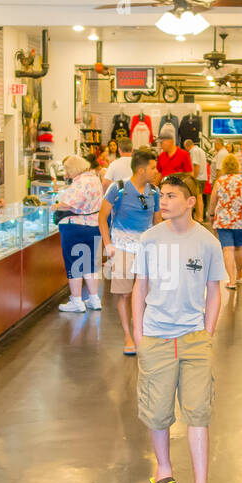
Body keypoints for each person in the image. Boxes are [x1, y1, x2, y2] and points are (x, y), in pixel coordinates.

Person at [134, 174, 226, 483]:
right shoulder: (149, 240)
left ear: (191, 202)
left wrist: (208, 332)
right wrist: (140, 338)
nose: (164, 201)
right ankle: (164, 470)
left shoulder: (207, 242)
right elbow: (138, 288)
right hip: (156, 337)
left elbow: (215, 290)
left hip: (194, 339)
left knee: (198, 412)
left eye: (172, 196)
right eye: (162, 195)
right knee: (157, 412)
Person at [100, 148, 160, 355]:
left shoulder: (154, 192)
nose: (156, 171)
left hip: (146, 249)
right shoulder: (118, 188)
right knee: (124, 293)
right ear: (141, 170)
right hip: (122, 248)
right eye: (153, 167)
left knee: (145, 293)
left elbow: (157, 221)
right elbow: (102, 217)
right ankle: (128, 335)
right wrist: (109, 245)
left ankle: (140, 331)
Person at [54, 155, 104, 312]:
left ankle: (76, 301)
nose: (66, 174)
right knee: (88, 264)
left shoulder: (79, 183)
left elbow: (67, 204)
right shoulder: (94, 179)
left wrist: (54, 206)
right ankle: (94, 299)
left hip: (75, 227)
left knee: (74, 264)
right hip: (94, 225)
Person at [210, 153, 242, 290]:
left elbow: (212, 201)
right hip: (240, 219)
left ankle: (232, 280)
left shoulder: (219, 181)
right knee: (240, 247)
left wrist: (211, 214)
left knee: (227, 249)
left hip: (223, 220)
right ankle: (239, 273)